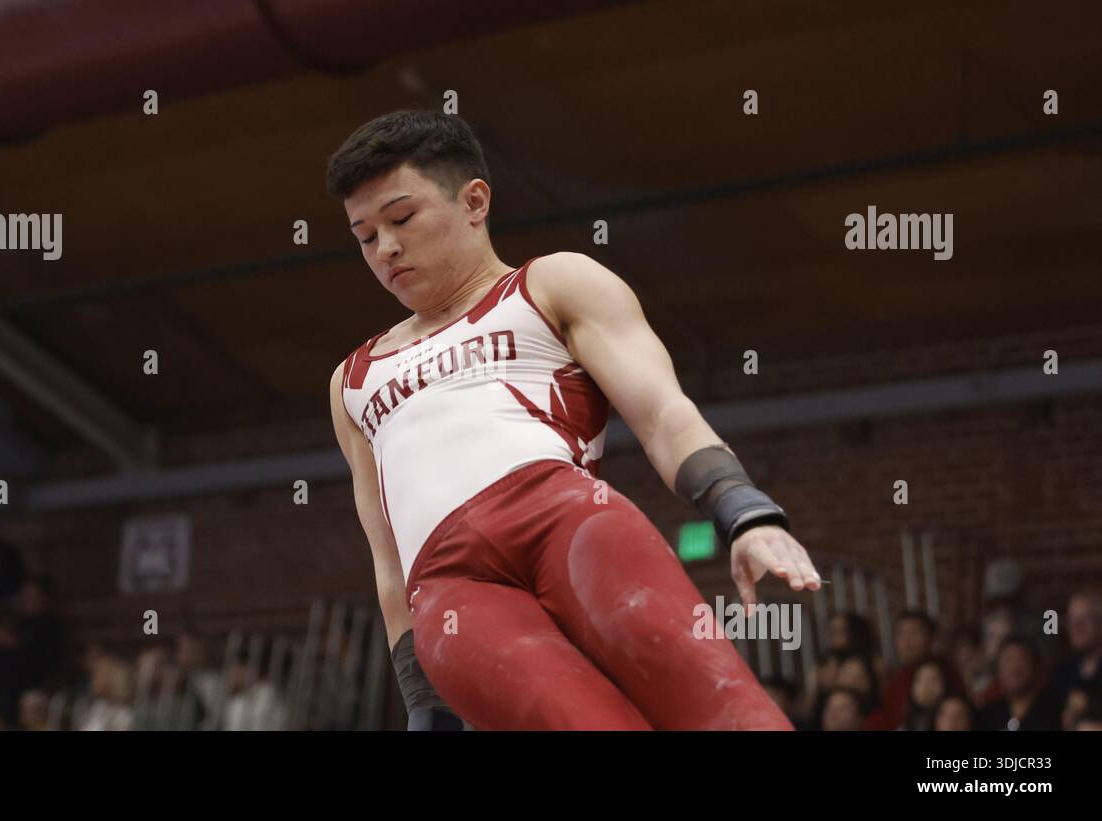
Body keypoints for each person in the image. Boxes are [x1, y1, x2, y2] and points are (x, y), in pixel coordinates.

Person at [326, 110, 820, 730]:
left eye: (401, 218)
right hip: (452, 591)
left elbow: (662, 412)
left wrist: (743, 510)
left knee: (726, 711)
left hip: (566, 525)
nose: (386, 249)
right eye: (365, 236)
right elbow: (389, 561)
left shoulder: (552, 283)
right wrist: (423, 707)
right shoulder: (353, 380)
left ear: (474, 201)